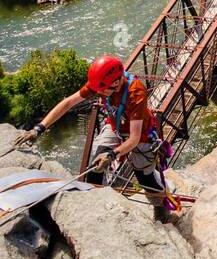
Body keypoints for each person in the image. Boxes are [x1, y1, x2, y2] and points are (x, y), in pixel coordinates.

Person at [15, 55, 174, 222]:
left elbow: (134, 139)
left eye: (102, 91)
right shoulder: (101, 83)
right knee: (94, 169)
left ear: (117, 82)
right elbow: (68, 103)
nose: (99, 94)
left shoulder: (136, 92)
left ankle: (161, 207)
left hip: (140, 133)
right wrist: (39, 129)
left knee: (145, 177)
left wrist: (112, 154)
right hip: (116, 127)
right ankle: (98, 208)